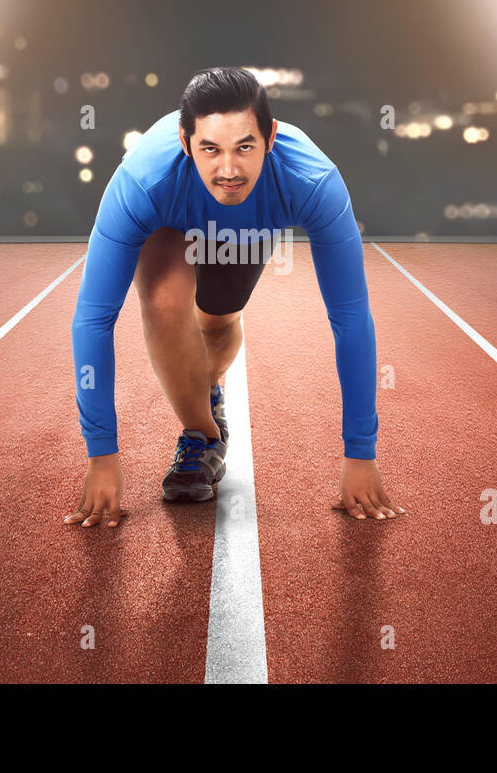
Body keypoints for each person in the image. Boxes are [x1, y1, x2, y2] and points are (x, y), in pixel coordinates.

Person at [65, 67, 403, 527]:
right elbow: (93, 319)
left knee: (218, 325)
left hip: (248, 230)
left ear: (271, 137)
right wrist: (102, 455)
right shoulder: (144, 182)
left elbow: (350, 316)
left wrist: (361, 454)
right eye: (210, 149)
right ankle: (203, 435)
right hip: (174, 221)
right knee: (165, 304)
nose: (228, 170)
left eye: (245, 147)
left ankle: (209, 388)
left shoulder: (313, 181)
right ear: (186, 143)